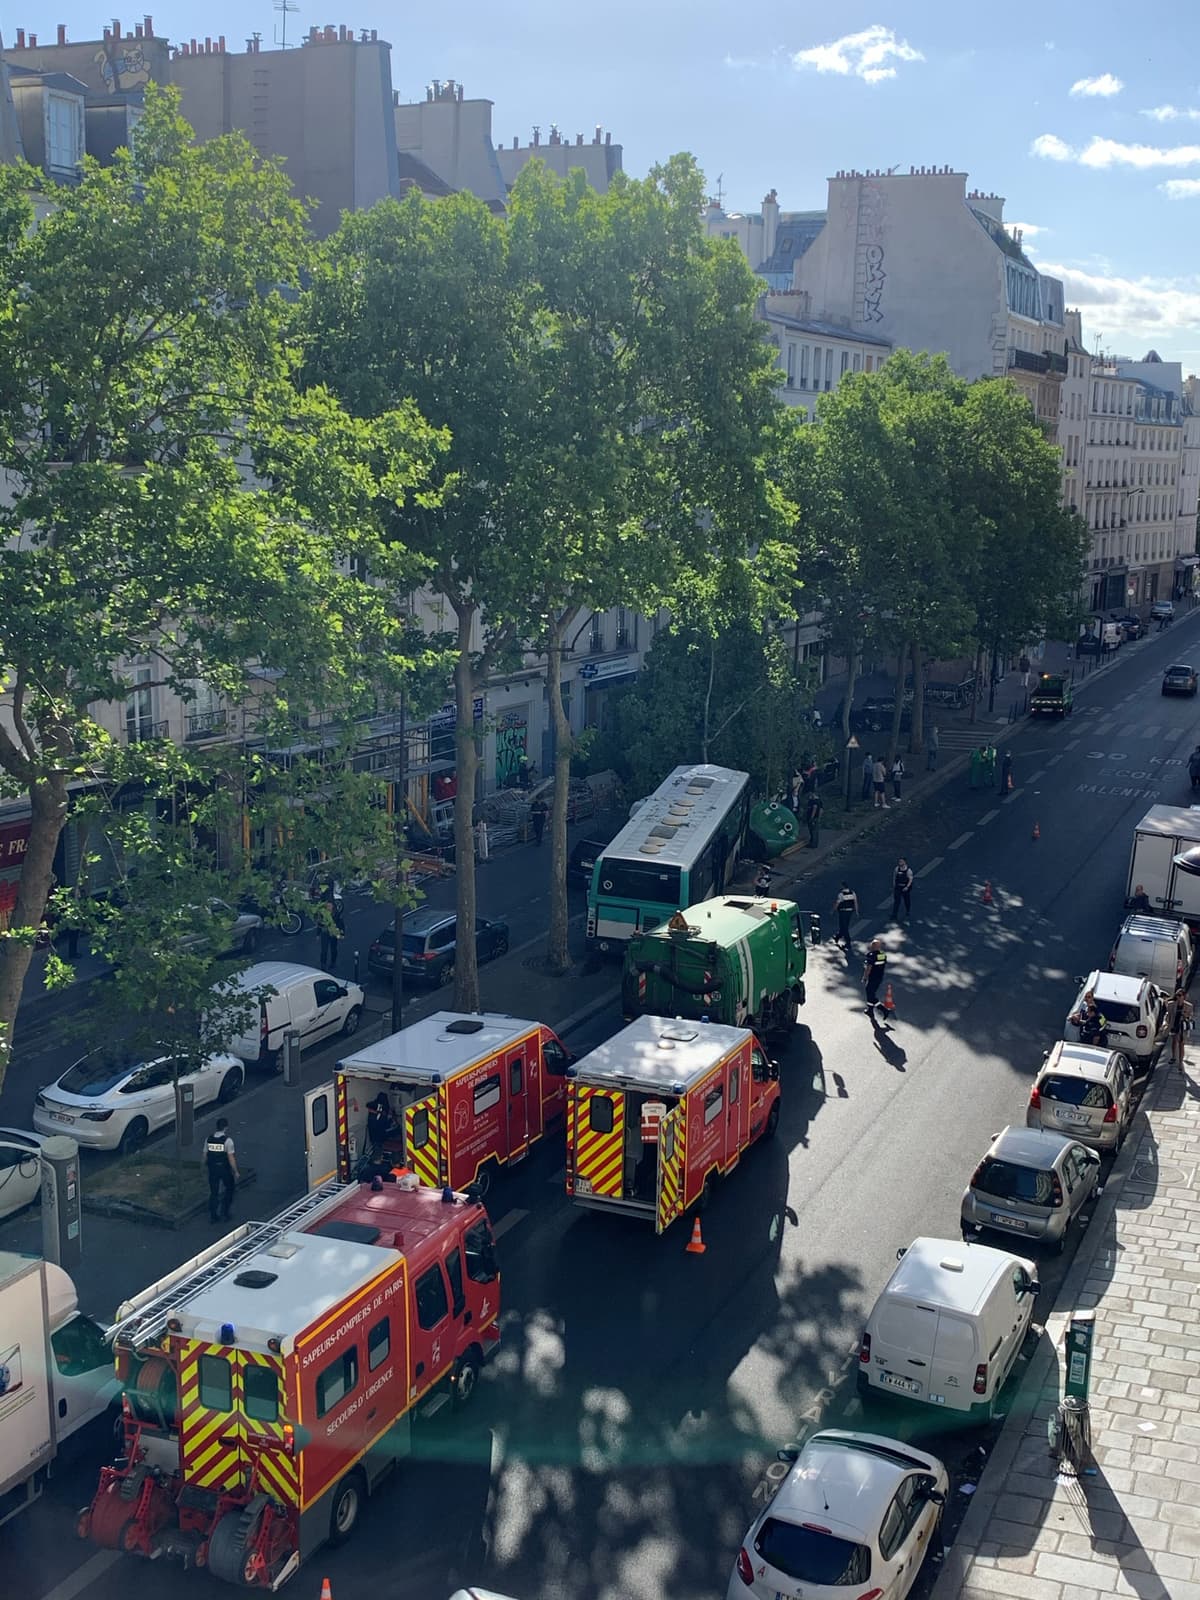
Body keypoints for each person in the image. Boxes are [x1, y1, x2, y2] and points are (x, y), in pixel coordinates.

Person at [205, 1116, 239, 1225]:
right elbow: (231, 1158)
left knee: (214, 1192)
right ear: (226, 1127)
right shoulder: (228, 1141)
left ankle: (213, 1216)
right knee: (229, 1189)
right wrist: (235, 1171)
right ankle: (225, 1212)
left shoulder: (209, 1139)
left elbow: (204, 1155)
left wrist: (202, 1167)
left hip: (212, 1169)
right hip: (224, 1169)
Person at [862, 938, 887, 1016]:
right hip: (879, 977)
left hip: (873, 977)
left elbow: (869, 968)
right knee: (871, 992)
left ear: (873, 946)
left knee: (870, 993)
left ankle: (883, 1009)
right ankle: (870, 1010)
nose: (871, 946)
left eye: (872, 945)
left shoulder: (871, 955)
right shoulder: (883, 955)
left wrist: (865, 977)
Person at [1171, 987, 1194, 1066]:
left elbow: (1190, 1016)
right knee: (1174, 1042)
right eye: (1177, 995)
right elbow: (1169, 1015)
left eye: (1180, 995)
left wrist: (1185, 1015)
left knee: (1181, 1044)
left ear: (1184, 996)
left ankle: (1180, 1062)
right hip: (1174, 1026)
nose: (1178, 997)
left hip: (1183, 1028)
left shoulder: (1189, 1006)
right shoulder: (1172, 1004)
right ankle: (1174, 1057)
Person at [833, 882, 859, 950]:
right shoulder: (853, 893)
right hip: (850, 912)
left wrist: (833, 910)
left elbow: (837, 903)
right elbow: (855, 902)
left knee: (844, 927)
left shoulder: (841, 894)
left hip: (842, 912)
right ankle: (837, 937)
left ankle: (848, 942)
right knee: (844, 926)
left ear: (842, 887)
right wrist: (856, 911)